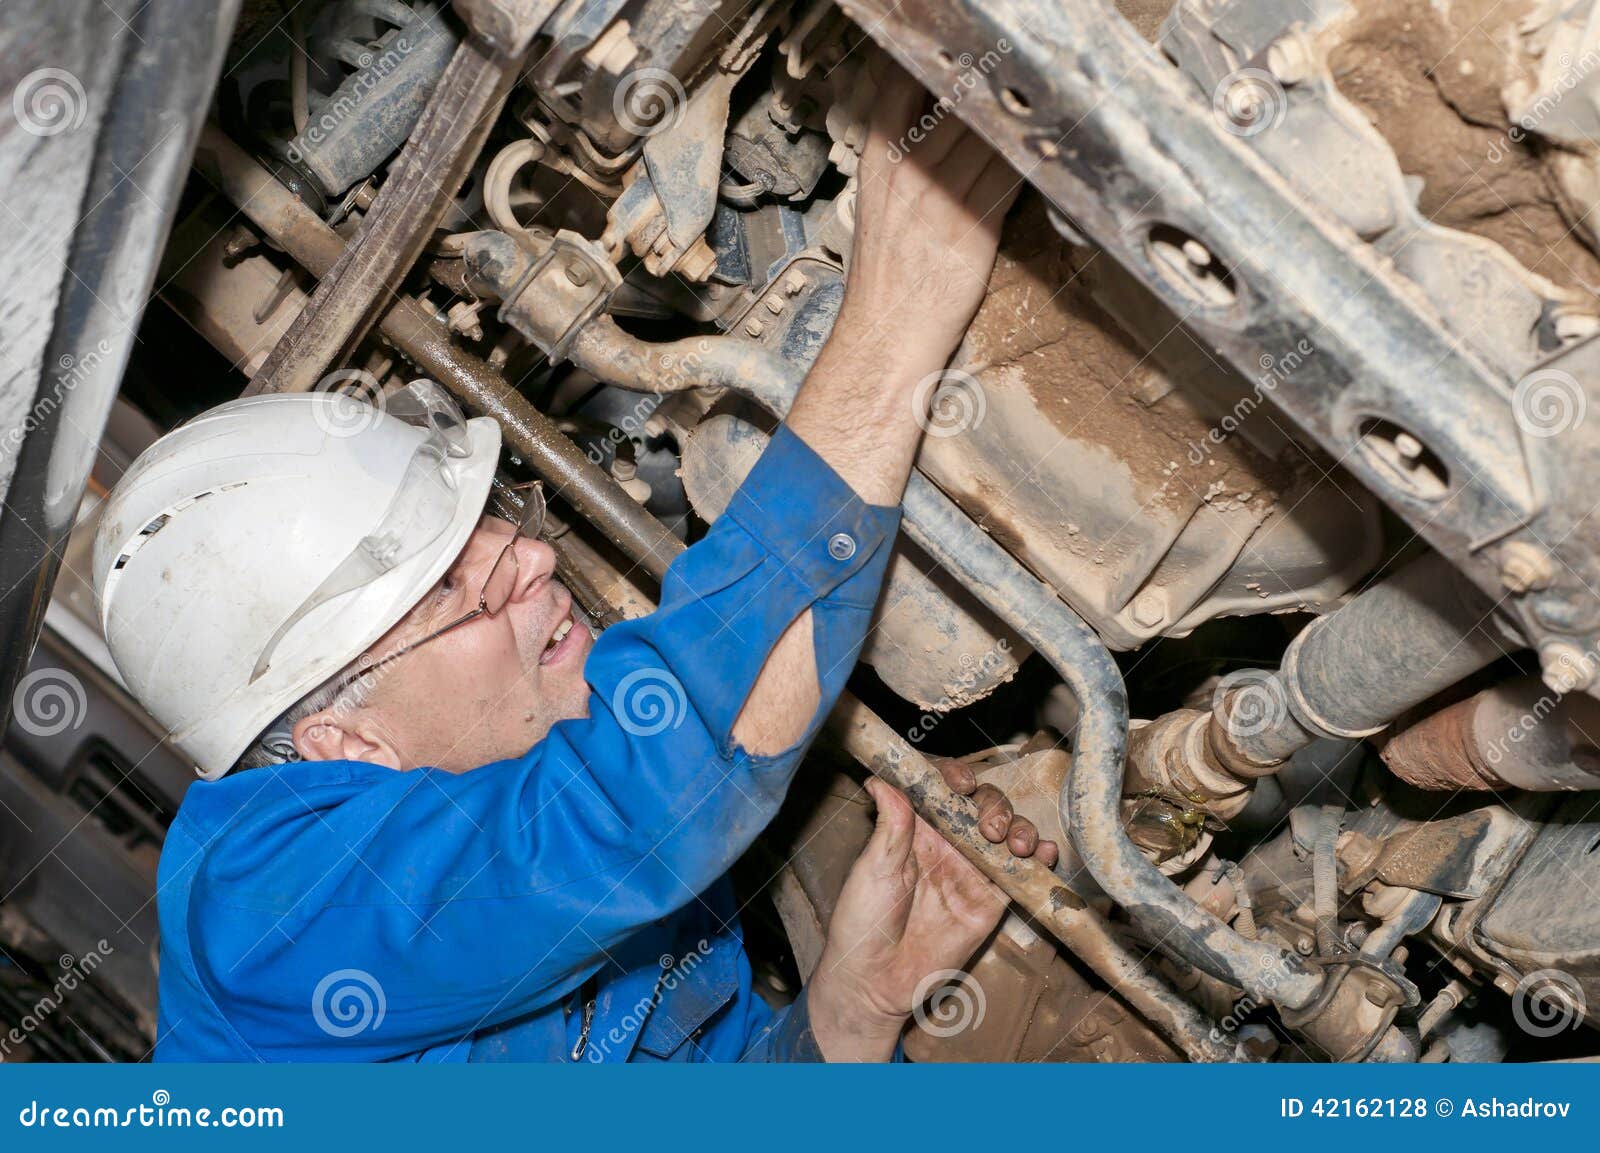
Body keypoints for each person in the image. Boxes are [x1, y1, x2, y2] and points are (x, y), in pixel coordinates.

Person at [91, 64, 1049, 1062]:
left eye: (494, 525)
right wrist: (896, 319)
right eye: (454, 588)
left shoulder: (556, 813)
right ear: (347, 743)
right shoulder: (264, 913)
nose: (533, 560)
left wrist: (850, 1010)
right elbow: (637, 807)